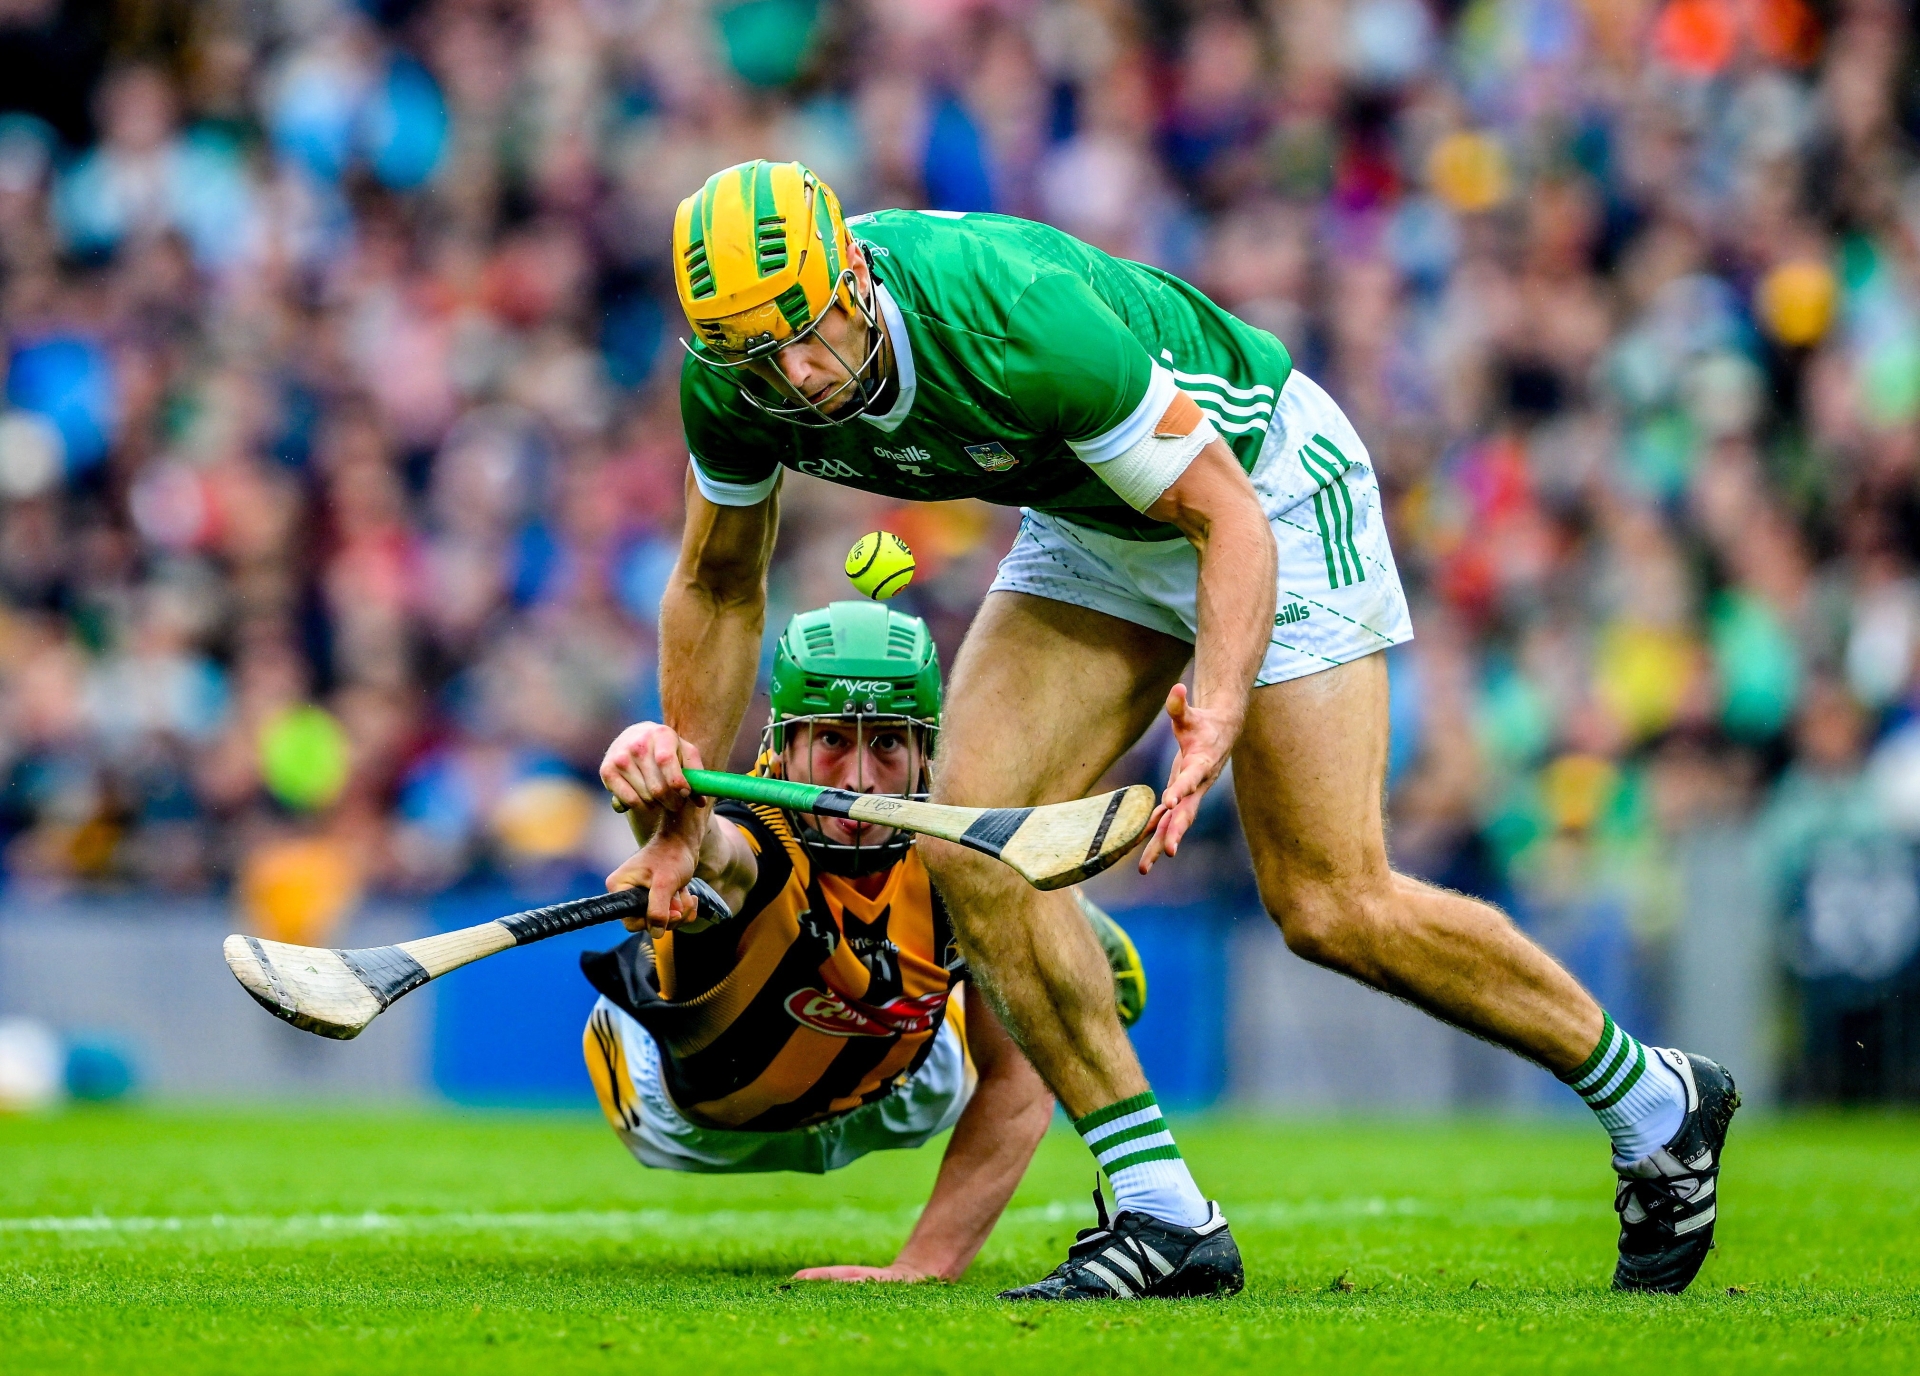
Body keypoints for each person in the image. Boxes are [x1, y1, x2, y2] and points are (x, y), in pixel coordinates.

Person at [600, 159, 1736, 1299]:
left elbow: (1223, 514)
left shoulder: (1008, 315)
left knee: (1331, 903)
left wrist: (1220, 704)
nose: (794, 378)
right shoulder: (735, 383)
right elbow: (716, 581)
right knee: (963, 841)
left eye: (806, 334)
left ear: (849, 273)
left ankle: (1654, 1098)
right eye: (756, 357)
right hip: (1096, 519)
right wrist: (680, 815)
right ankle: (1164, 1213)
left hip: (1262, 488)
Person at [586, 599, 1147, 1285]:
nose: (857, 780)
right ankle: (1054, 923)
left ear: (923, 753)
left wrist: (922, 1266)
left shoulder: (954, 858)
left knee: (1028, 995)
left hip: (899, 1096)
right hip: (690, 1119)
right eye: (831, 742)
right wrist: (648, 775)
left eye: (886, 742)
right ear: (784, 748)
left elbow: (1021, 1080)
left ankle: (1044, 932)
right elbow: (712, 854)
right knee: (713, 922)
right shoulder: (755, 837)